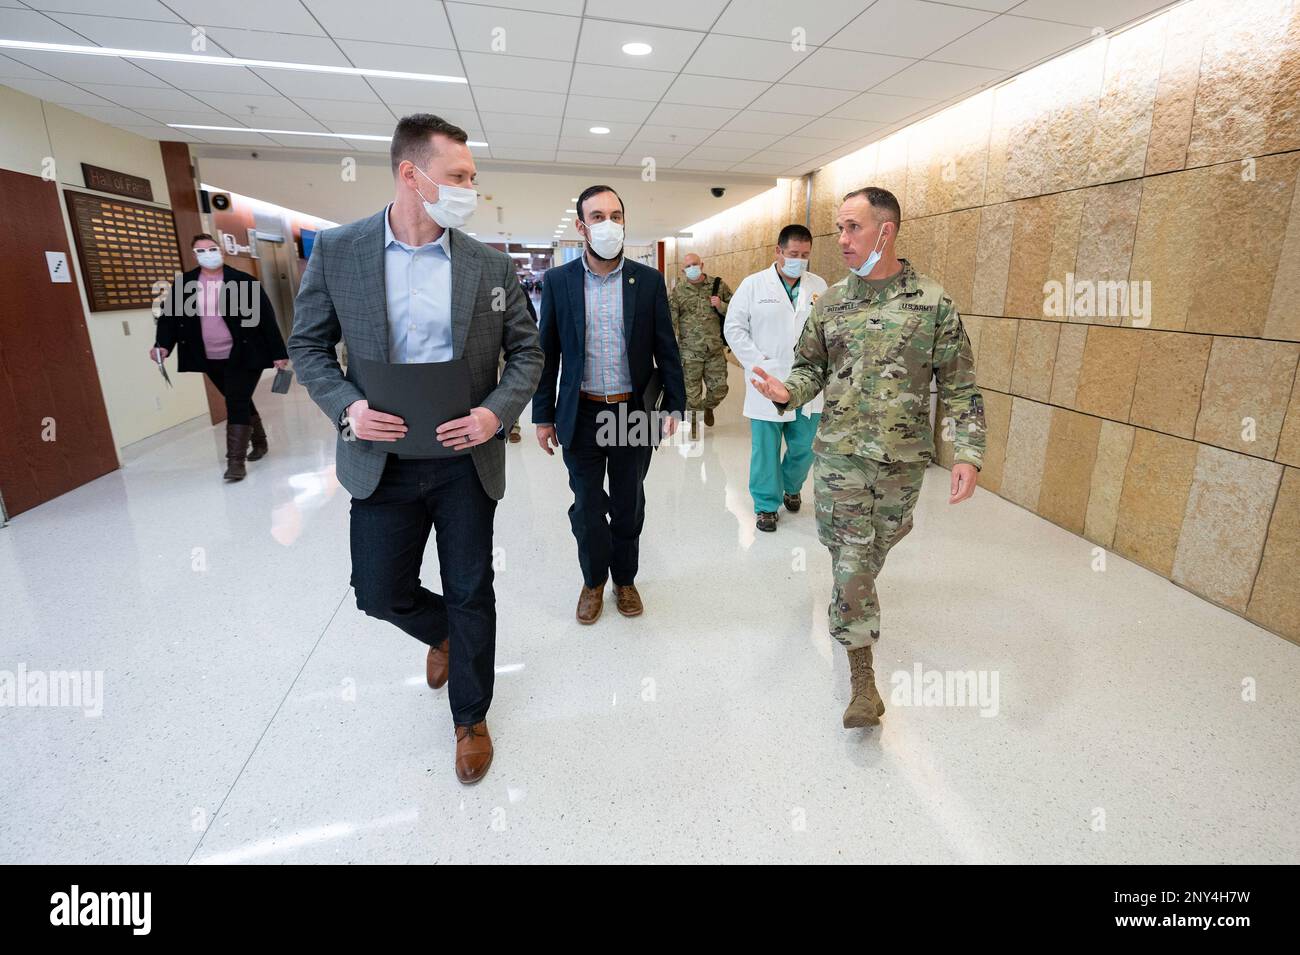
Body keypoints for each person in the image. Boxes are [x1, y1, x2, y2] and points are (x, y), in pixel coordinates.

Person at [287, 114, 543, 785]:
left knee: (471, 588)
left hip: (465, 460)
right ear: (410, 174)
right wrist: (348, 408)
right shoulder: (341, 253)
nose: (469, 189)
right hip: (384, 462)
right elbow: (307, 347)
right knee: (377, 589)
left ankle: (470, 717)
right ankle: (442, 635)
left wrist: (494, 414)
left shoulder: (489, 265)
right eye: (458, 176)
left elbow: (527, 352)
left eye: (472, 179)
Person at [751, 187, 984, 729]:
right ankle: (863, 682)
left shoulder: (932, 302)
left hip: (902, 464)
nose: (842, 240)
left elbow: (961, 384)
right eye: (839, 229)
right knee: (853, 560)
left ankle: (847, 608)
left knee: (873, 552)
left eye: (853, 228)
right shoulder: (830, 302)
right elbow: (809, 367)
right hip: (840, 458)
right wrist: (789, 391)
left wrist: (967, 452)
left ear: (887, 231)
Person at [532, 185, 685, 625]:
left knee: (627, 503)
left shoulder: (647, 281)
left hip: (630, 414)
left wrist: (675, 404)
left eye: (615, 215)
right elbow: (548, 355)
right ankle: (593, 581)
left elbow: (666, 348)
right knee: (586, 506)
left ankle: (626, 580)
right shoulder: (559, 282)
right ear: (581, 226)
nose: (608, 224)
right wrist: (543, 415)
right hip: (581, 412)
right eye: (597, 216)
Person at [150, 234, 289, 482]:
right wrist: (162, 346)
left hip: (245, 353)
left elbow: (267, 320)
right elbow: (169, 320)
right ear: (194, 255)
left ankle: (235, 462)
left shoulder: (244, 281)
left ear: (221, 251)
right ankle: (260, 441)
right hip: (209, 356)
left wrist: (278, 353)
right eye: (200, 251)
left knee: (235, 400)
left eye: (212, 249)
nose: (208, 254)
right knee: (239, 398)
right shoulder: (184, 285)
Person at [724, 224, 828, 533]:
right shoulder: (753, 285)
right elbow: (734, 327)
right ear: (778, 252)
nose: (799, 260)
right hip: (766, 380)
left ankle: (791, 485)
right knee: (766, 449)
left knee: (805, 446)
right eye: (793, 254)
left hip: (807, 382)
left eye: (805, 255)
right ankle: (766, 506)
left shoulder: (819, 285)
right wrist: (758, 363)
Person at [668, 253, 731, 439]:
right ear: (683, 270)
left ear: (702, 264)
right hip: (689, 353)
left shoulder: (717, 285)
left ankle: (709, 407)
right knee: (691, 395)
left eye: (695, 264)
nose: (692, 268)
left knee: (720, 390)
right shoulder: (678, 291)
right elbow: (671, 321)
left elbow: (738, 309)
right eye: (688, 266)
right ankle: (694, 423)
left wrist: (722, 306)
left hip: (714, 351)